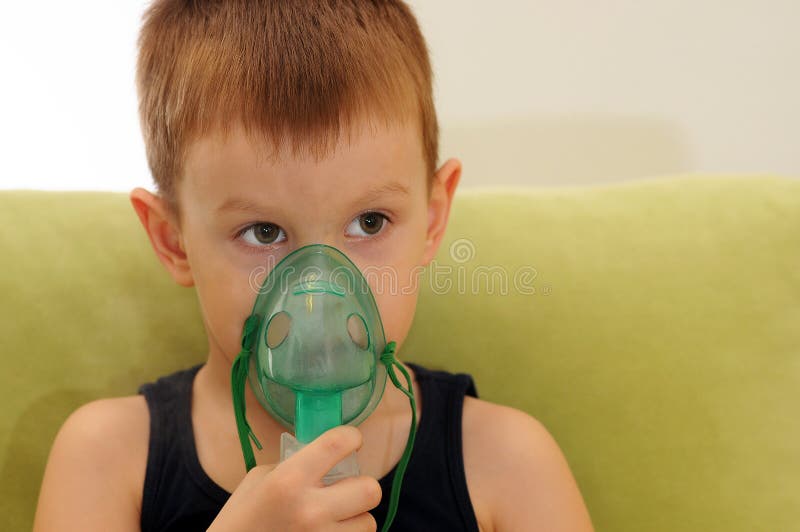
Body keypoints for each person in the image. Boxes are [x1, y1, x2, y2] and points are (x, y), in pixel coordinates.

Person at [34, 1, 594, 530]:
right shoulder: (107, 460)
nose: (318, 294)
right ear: (173, 241)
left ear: (432, 218)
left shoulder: (507, 466)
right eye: (264, 233)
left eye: (370, 223)